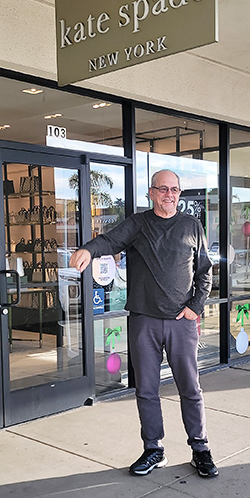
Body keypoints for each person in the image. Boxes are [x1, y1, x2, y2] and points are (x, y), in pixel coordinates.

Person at [69, 169, 218, 477]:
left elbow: (205, 271)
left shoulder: (192, 226)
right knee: (147, 390)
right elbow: (109, 241)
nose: (169, 194)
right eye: (163, 189)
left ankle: (200, 449)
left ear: (179, 193)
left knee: (190, 389)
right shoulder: (138, 225)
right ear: (151, 193)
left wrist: (194, 308)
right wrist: (87, 249)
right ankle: (154, 449)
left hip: (181, 323)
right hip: (144, 322)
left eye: (174, 189)